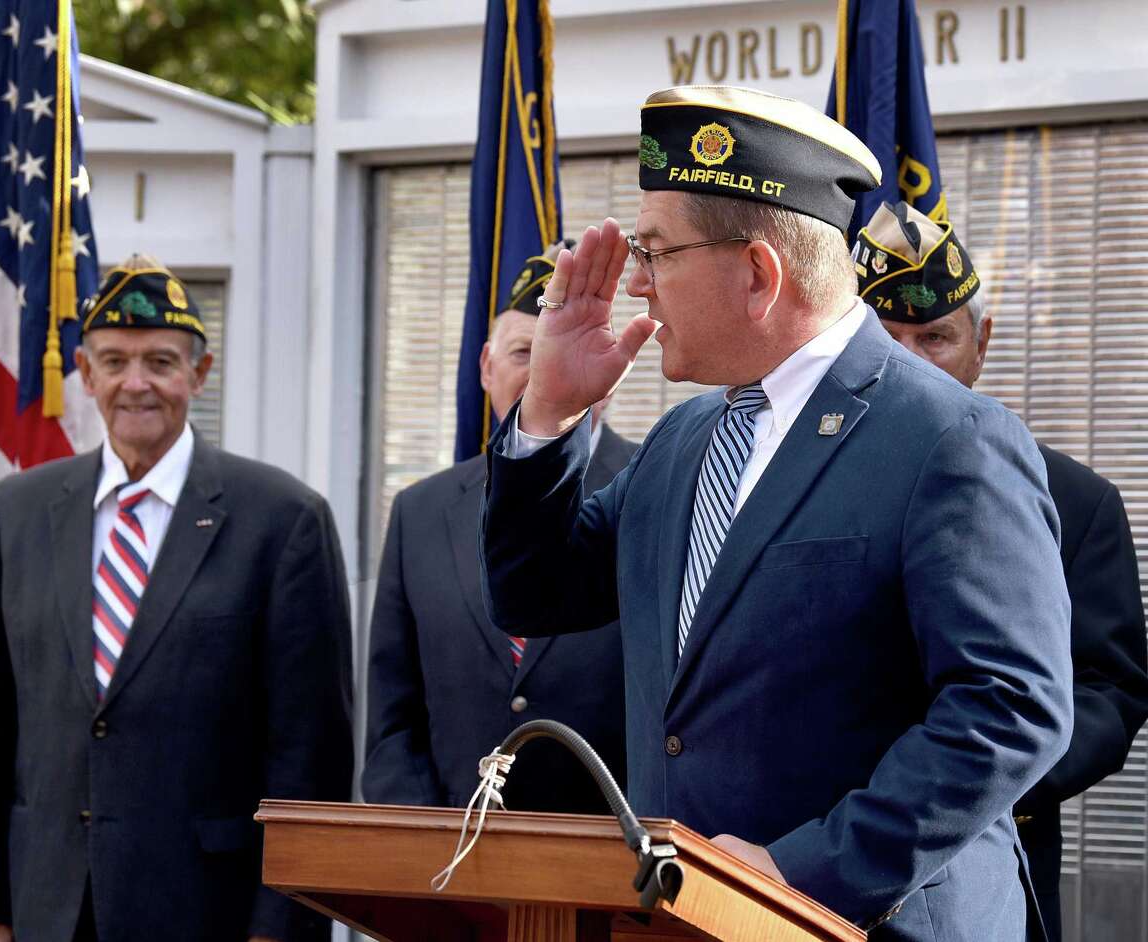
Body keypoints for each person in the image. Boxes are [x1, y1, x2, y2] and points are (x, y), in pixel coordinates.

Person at [480, 85, 1074, 939]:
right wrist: (547, 416)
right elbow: (536, 595)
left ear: (759, 275)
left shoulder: (949, 437)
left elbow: (1011, 707)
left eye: (657, 253)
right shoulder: (685, 439)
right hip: (683, 921)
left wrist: (794, 875)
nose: (637, 286)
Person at [0, 257, 355, 942]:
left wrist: (278, 928)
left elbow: (309, 758)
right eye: (115, 361)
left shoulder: (283, 521)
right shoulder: (18, 512)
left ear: (199, 374)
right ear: (84, 371)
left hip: (209, 913)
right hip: (44, 908)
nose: (136, 384)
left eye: (160, 362)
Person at [855, 200, 1148, 941]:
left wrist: (990, 776)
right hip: (802, 855)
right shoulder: (793, 482)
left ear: (980, 342)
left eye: (935, 337)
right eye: (885, 338)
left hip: (986, 854)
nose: (910, 361)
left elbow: (1110, 690)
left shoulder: (1074, 500)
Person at [363, 246, 636, 813]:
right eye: (523, 352)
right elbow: (394, 715)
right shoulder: (420, 511)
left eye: (563, 349)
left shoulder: (651, 488)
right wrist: (417, 844)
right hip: (449, 862)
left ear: (606, 372)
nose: (544, 371)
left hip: (609, 860)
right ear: (485, 366)